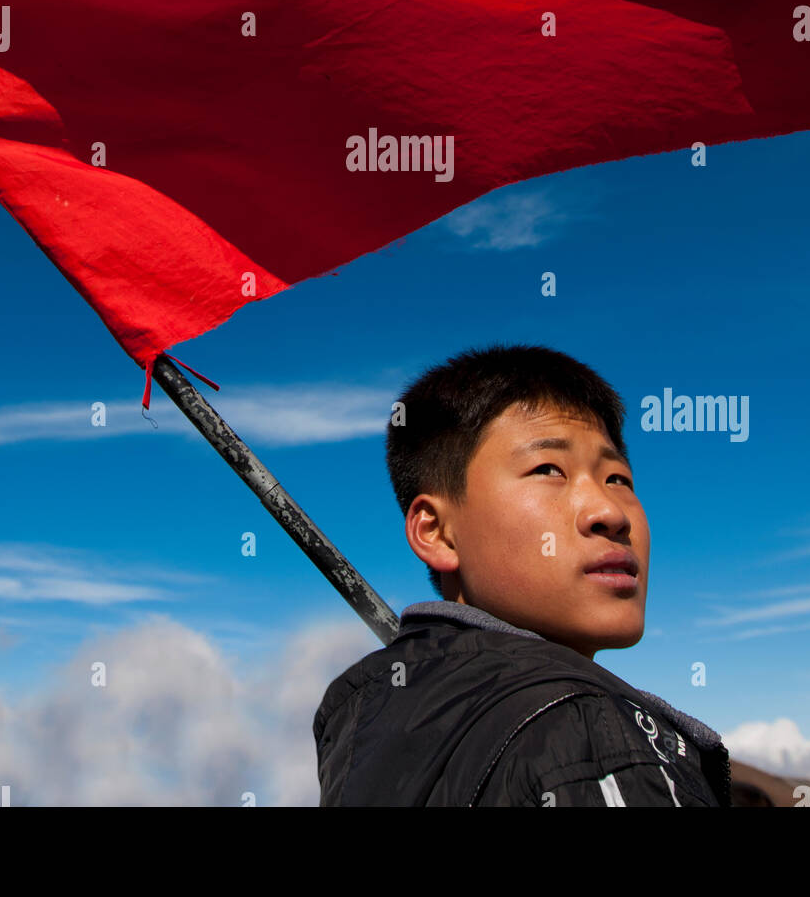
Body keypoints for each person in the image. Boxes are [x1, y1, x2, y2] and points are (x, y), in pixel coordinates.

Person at [313, 343, 732, 806]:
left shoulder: (365, 724)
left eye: (618, 478)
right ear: (437, 533)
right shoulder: (590, 736)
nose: (610, 512)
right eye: (548, 469)